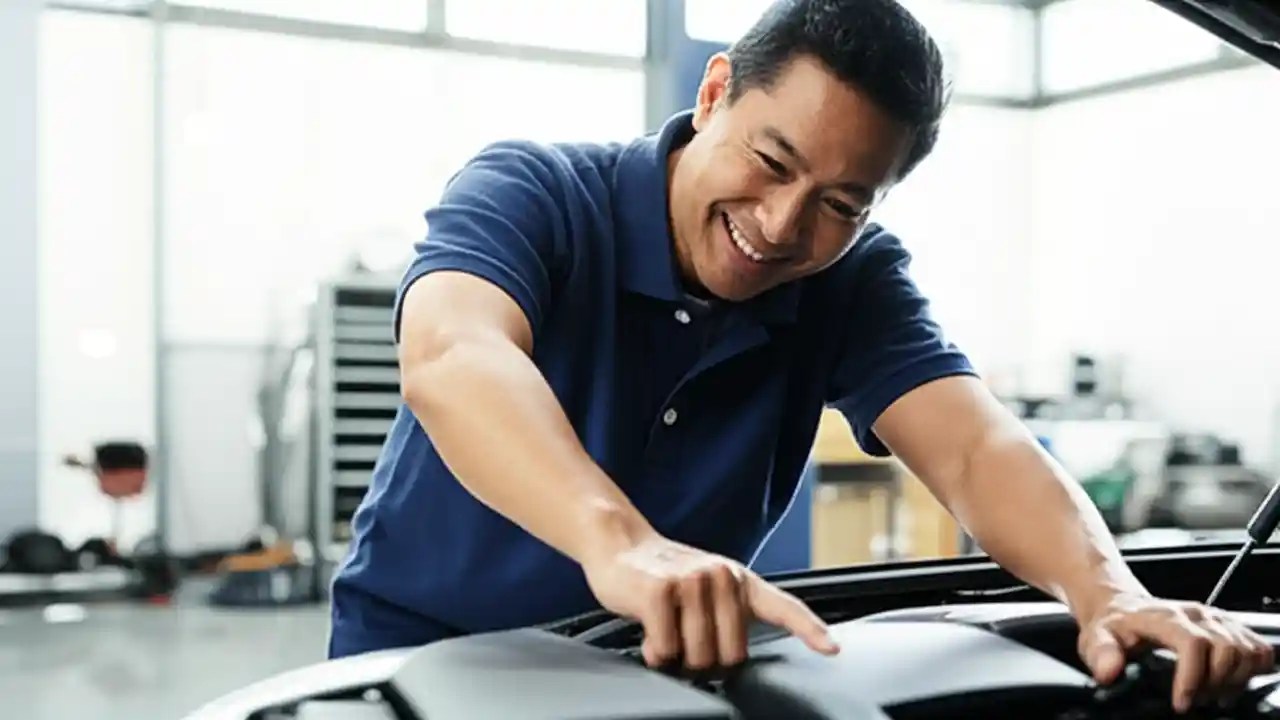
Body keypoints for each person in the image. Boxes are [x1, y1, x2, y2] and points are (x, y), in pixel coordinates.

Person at [329, 0, 1272, 712]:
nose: (782, 228)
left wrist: (1108, 594)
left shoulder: (852, 281)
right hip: (418, 664)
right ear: (712, 96)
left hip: (653, 667)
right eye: (772, 163)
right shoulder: (536, 192)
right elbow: (455, 353)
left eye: (841, 204)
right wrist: (623, 545)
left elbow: (977, 448)